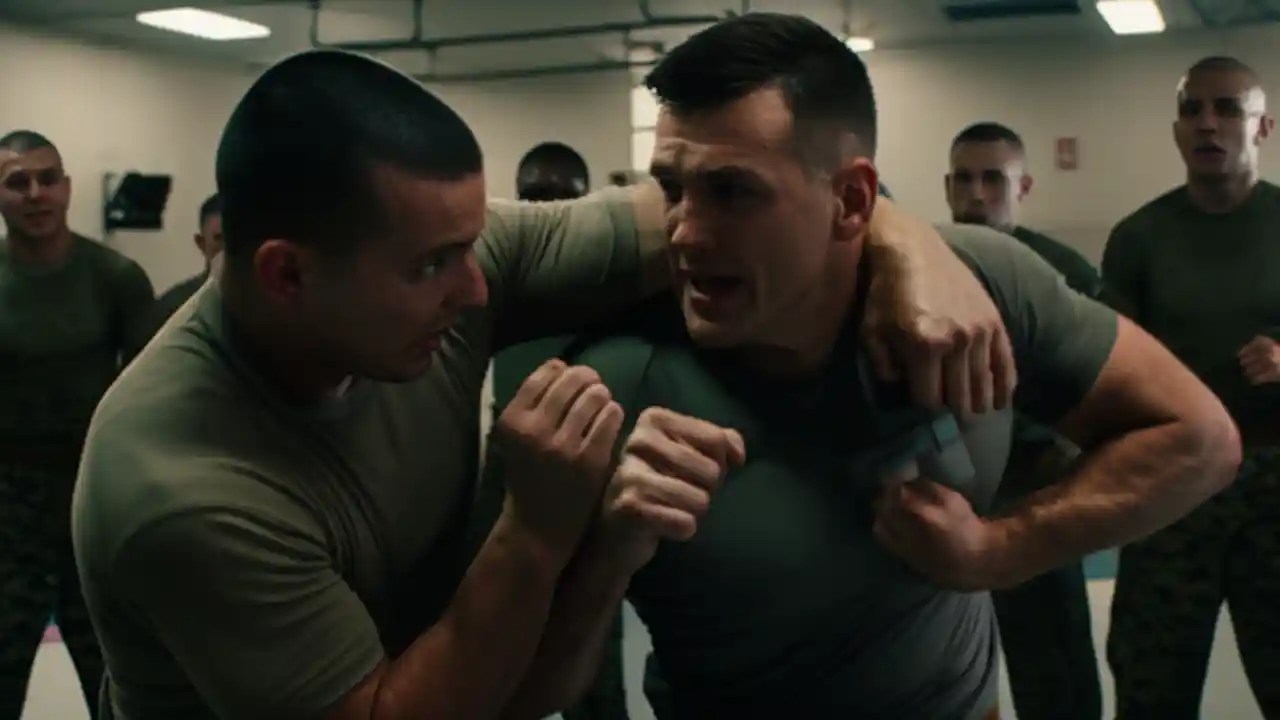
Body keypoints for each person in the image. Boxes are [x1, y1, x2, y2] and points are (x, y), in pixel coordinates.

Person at [71, 48, 1016, 720]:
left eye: (472, 245)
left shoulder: (421, 270)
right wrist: (539, 525)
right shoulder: (181, 485)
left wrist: (900, 237)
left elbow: (745, 202)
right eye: (436, 264)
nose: (480, 288)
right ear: (286, 274)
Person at [493, 14, 1241, 720]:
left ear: (852, 200)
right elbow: (524, 695)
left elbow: (1200, 439)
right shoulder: (618, 382)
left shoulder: (975, 289)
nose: (684, 233)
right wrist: (605, 564)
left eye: (732, 191)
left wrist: (996, 550)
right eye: (672, 189)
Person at [1103, 55, 1280, 720]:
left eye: (1228, 108)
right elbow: (1110, 366)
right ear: (1177, 130)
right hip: (1173, 481)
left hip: (1275, 480)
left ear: (1263, 127)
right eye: (1192, 109)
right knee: (1152, 687)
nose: (1208, 122)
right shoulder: (1139, 239)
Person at [945, 121, 1103, 720]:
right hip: (947, 487)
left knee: (1052, 662)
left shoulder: (1060, 274)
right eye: (964, 178)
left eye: (993, 178)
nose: (977, 193)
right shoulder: (921, 263)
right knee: (944, 664)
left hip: (1037, 491)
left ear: (1024, 185)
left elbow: (1102, 388)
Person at [0, 130, 155, 719]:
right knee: (6, 650)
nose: (36, 193)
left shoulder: (113, 276)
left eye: (47, 179)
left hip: (92, 487)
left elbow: (148, 396)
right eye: (18, 182)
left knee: (106, 651)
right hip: (9, 494)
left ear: (66, 189)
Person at [129, 192, 223, 359]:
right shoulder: (173, 310)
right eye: (219, 239)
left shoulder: (270, 304)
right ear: (201, 243)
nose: (228, 249)